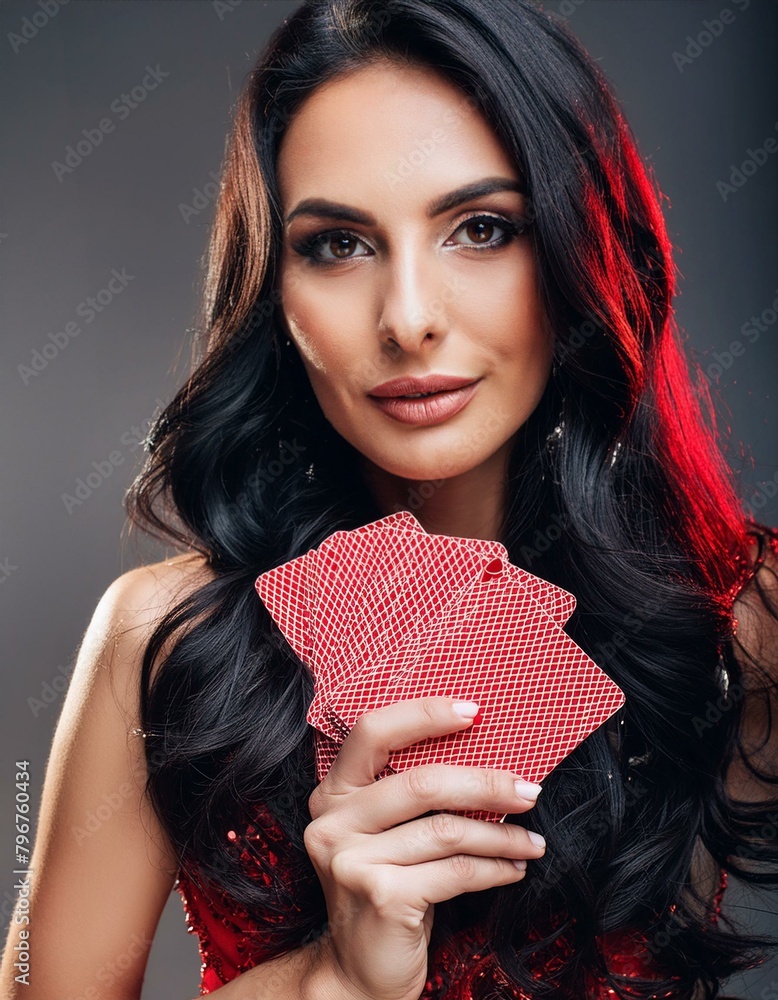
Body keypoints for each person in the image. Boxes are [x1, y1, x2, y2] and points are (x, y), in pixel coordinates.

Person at [2, 0, 777, 997]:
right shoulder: (163, 637)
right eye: (336, 244)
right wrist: (331, 974)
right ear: (272, 285)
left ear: (581, 247)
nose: (408, 318)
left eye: (482, 228)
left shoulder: (735, 615)